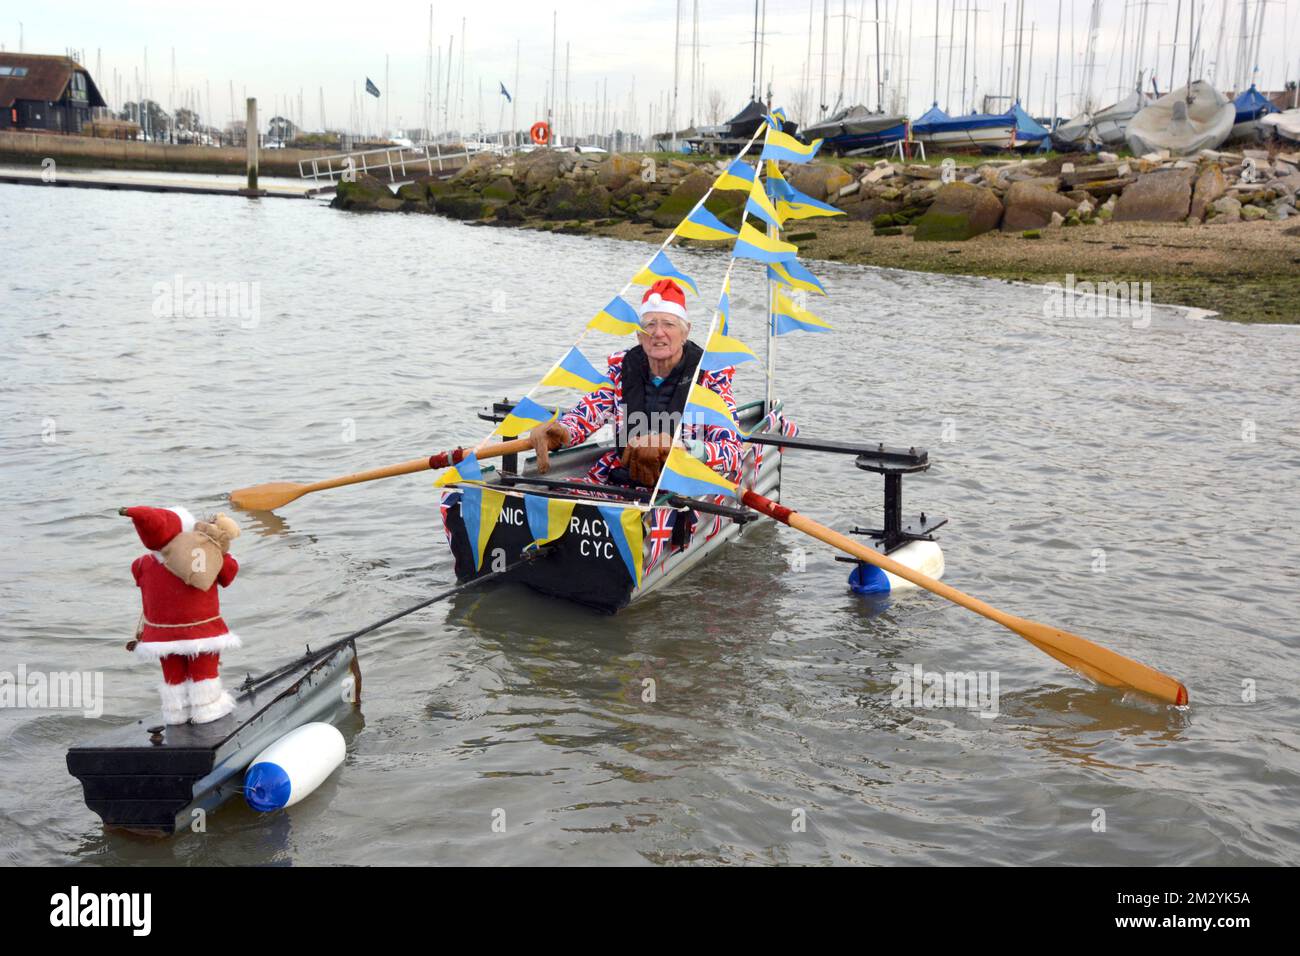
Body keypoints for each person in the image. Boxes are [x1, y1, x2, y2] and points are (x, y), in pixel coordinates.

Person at [529, 279, 742, 488]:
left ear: (685, 332)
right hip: (626, 479)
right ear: (639, 335)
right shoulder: (623, 370)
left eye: (669, 324)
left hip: (683, 488)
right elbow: (588, 414)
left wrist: (678, 447)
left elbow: (732, 452)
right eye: (650, 324)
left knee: (661, 522)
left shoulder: (710, 377)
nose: (658, 333)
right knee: (555, 494)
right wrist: (561, 431)